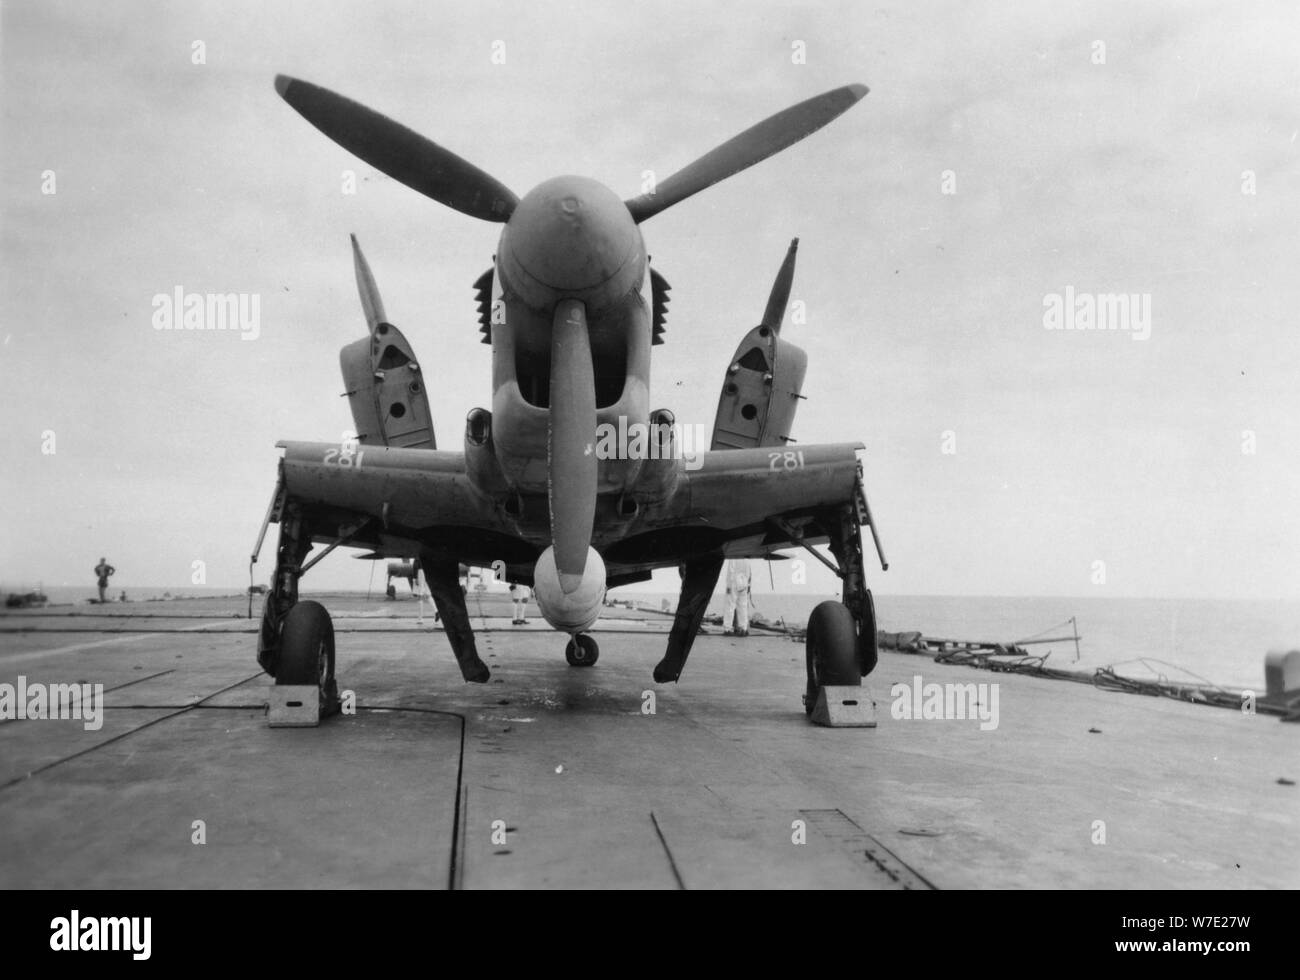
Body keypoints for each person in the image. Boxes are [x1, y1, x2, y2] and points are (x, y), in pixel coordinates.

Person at [724, 558, 751, 636]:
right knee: (743, 606)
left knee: (730, 606)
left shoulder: (734, 556)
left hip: (734, 582)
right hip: (744, 582)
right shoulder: (747, 558)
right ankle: (743, 628)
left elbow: (730, 571)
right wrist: (748, 584)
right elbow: (748, 572)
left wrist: (729, 585)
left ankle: (727, 629)